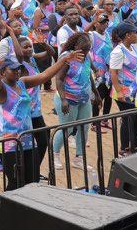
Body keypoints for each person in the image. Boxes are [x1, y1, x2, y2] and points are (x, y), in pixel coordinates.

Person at [0, 48, 80, 191]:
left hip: (27, 139)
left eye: (18, 69)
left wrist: (63, 60)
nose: (17, 72)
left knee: (32, 179)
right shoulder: (1, 90)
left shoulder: (22, 82)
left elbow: (45, 75)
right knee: (16, 182)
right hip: (8, 143)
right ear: (3, 73)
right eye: (13, 69)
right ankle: (6, 205)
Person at [52, 32, 95, 170]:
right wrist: (63, 100)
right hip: (68, 99)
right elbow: (59, 79)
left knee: (84, 127)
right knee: (67, 128)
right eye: (83, 50)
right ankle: (55, 154)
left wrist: (96, 94)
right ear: (76, 46)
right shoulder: (67, 57)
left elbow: (88, 75)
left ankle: (79, 158)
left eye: (87, 50)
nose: (85, 53)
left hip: (84, 99)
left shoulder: (86, 56)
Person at [109, 23, 137, 154]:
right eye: (134, 32)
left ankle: (136, 145)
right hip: (123, 92)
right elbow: (113, 73)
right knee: (128, 119)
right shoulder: (118, 51)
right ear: (128, 35)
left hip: (134, 91)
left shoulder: (133, 47)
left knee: (136, 118)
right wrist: (119, 92)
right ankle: (124, 148)